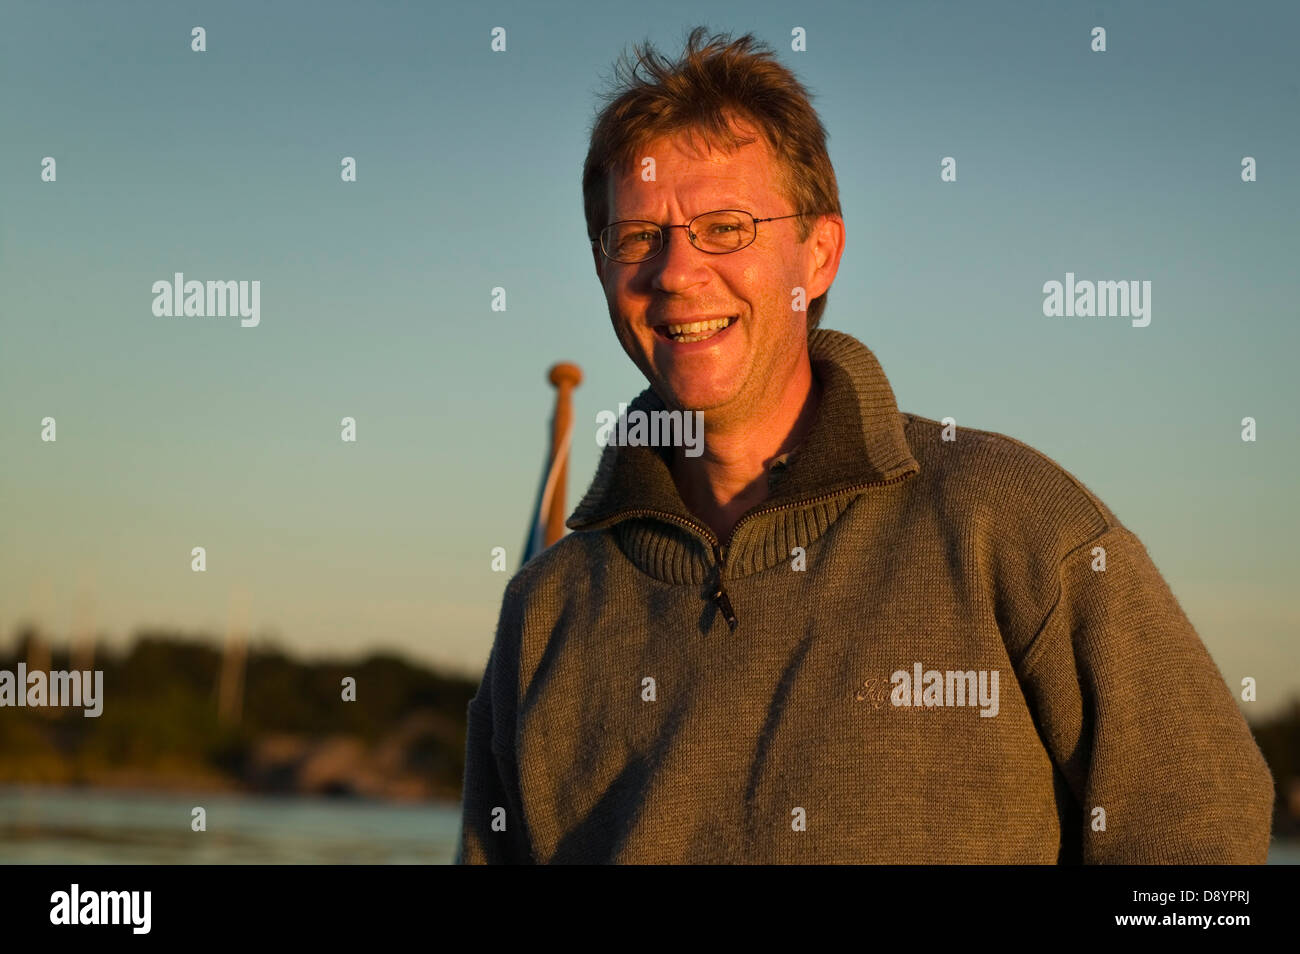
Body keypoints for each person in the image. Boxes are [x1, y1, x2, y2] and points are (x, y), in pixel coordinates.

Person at [456, 27, 1274, 864]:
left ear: (820, 251)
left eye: (725, 228)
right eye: (637, 238)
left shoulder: (1014, 526)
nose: (674, 272)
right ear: (600, 267)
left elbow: (1202, 846)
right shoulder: (542, 614)